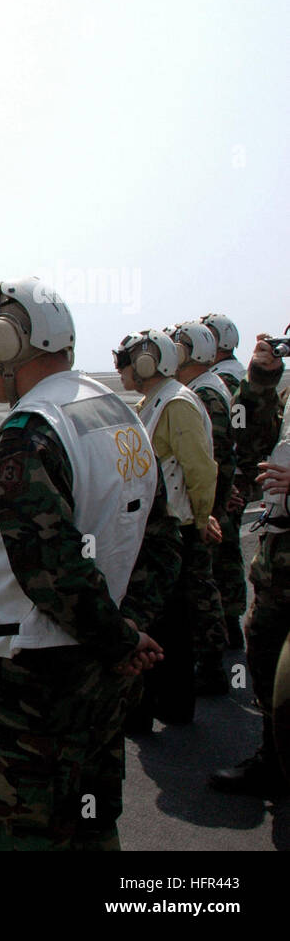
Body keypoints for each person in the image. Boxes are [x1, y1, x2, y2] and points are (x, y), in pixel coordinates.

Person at [0, 278, 171, 850]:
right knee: (92, 824)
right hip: (105, 673)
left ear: (4, 345)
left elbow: (53, 572)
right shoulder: (119, 414)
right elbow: (163, 538)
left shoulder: (29, 434)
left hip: (35, 679)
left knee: (21, 831)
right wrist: (131, 633)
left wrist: (122, 640)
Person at [114, 329, 222, 726]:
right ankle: (158, 705)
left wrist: (199, 520)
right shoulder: (154, 402)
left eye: (125, 361)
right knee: (163, 621)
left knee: (170, 624)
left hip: (173, 533)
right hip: (159, 530)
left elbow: (199, 469)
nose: (121, 370)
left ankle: (167, 707)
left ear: (145, 363)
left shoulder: (176, 404)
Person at [211, 332, 290, 796]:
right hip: (280, 561)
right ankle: (275, 759)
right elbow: (254, 443)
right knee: (265, 655)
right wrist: (261, 379)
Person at [169, 322, 235, 694]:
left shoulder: (204, 393)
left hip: (204, 507)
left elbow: (211, 460)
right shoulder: (205, 388)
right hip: (207, 503)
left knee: (199, 585)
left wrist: (207, 510)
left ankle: (211, 663)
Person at [199, 313, 249, 651]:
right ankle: (230, 625)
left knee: (218, 560)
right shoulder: (237, 375)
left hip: (231, 480)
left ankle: (222, 634)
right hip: (239, 478)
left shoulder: (219, 382)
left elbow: (229, 439)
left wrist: (229, 483)